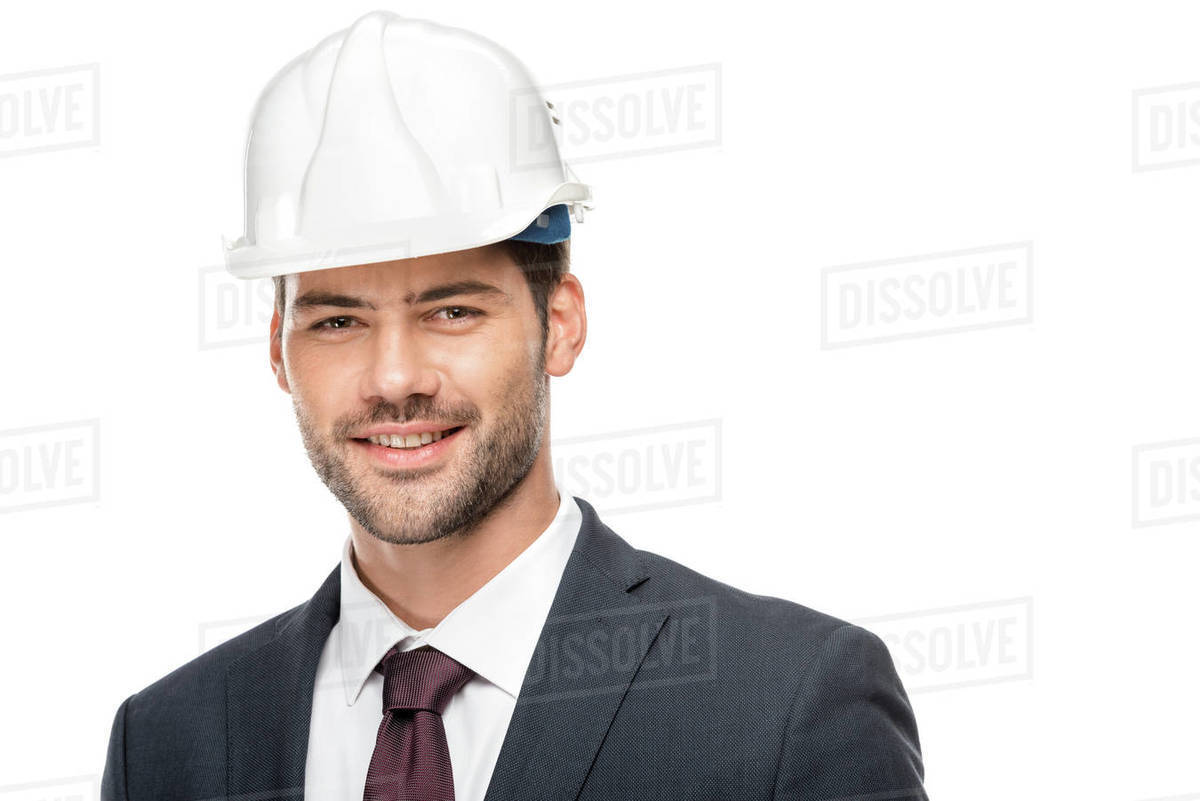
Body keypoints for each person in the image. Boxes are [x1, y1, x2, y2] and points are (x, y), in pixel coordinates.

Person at [101, 11, 926, 801]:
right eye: (340, 319)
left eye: (451, 311)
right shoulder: (169, 744)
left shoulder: (784, 702)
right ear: (279, 346)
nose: (394, 378)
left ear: (559, 325)